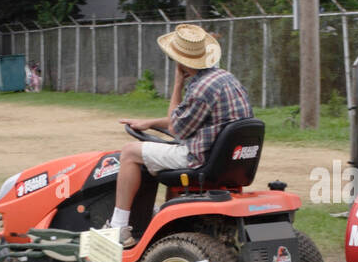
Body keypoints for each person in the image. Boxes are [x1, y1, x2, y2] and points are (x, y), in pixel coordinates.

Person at [102, 23, 253, 245]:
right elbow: (192, 119)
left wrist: (177, 84)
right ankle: (162, 219)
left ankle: (119, 227)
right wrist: (148, 123)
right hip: (228, 161)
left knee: (129, 153)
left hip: (201, 160)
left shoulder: (200, 88)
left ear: (181, 61)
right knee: (156, 151)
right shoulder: (226, 79)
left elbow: (175, 126)